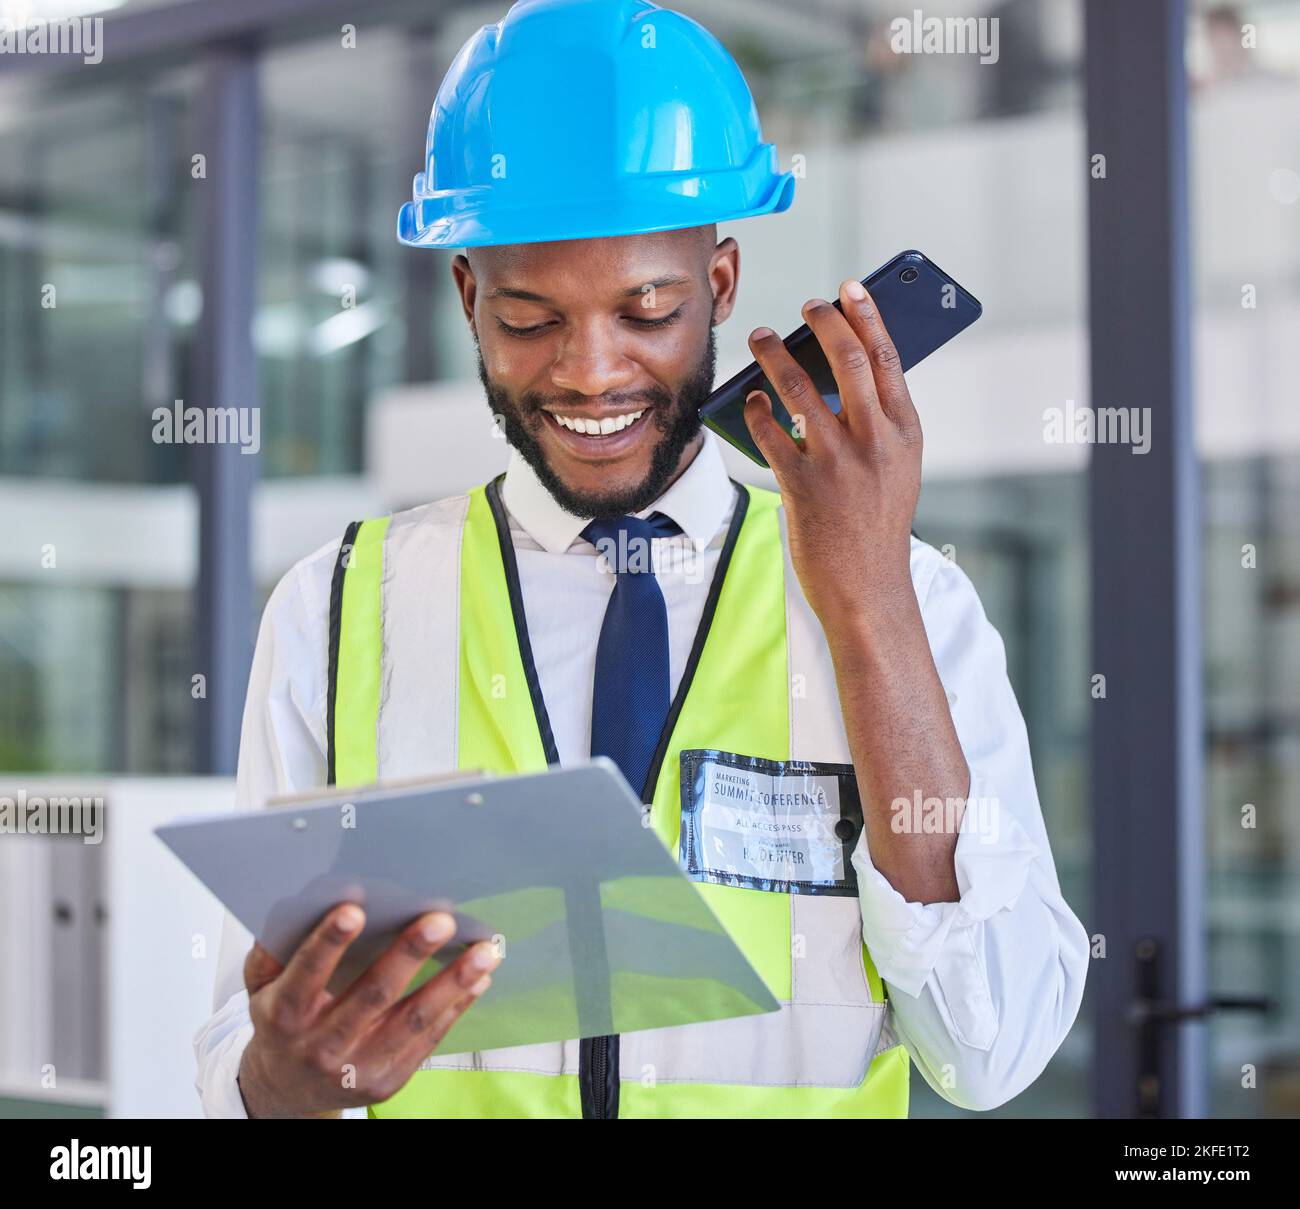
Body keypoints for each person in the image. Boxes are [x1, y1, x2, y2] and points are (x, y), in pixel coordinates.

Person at [195, 0, 1088, 1119]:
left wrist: (867, 603)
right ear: (467, 296)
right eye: (528, 320)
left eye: (648, 310)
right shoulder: (340, 605)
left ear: (719, 286)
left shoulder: (913, 603)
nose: (589, 372)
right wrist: (282, 1083)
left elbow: (990, 1048)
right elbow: (244, 1047)